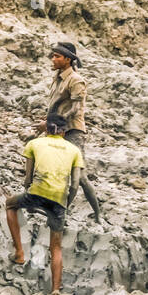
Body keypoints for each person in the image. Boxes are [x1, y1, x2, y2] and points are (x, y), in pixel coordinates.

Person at [5, 113, 83, 294]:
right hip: (59, 199)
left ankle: (19, 253)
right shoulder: (74, 150)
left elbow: (28, 178)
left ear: (46, 129)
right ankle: (56, 290)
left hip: (37, 192)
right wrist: (66, 204)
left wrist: (29, 198)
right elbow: (75, 184)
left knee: (10, 204)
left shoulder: (34, 144)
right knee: (56, 246)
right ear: (64, 133)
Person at [45, 41, 101, 222]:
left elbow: (76, 110)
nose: (53, 59)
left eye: (57, 56)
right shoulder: (58, 77)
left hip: (72, 132)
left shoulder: (76, 80)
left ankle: (96, 214)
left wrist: (53, 122)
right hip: (57, 129)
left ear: (68, 59)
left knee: (80, 176)